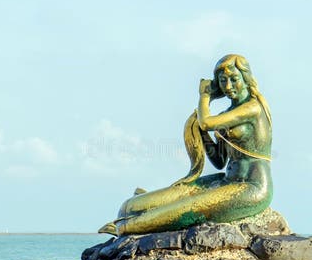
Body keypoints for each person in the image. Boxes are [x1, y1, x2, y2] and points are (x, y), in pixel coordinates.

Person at [98, 53, 272, 236]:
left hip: (253, 188)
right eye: (222, 81)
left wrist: (205, 96)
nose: (228, 86)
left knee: (189, 207)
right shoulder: (227, 113)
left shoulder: (253, 107)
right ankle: (142, 216)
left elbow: (207, 122)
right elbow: (220, 161)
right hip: (225, 181)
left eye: (234, 79)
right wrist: (201, 133)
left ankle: (128, 227)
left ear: (245, 78)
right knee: (129, 206)